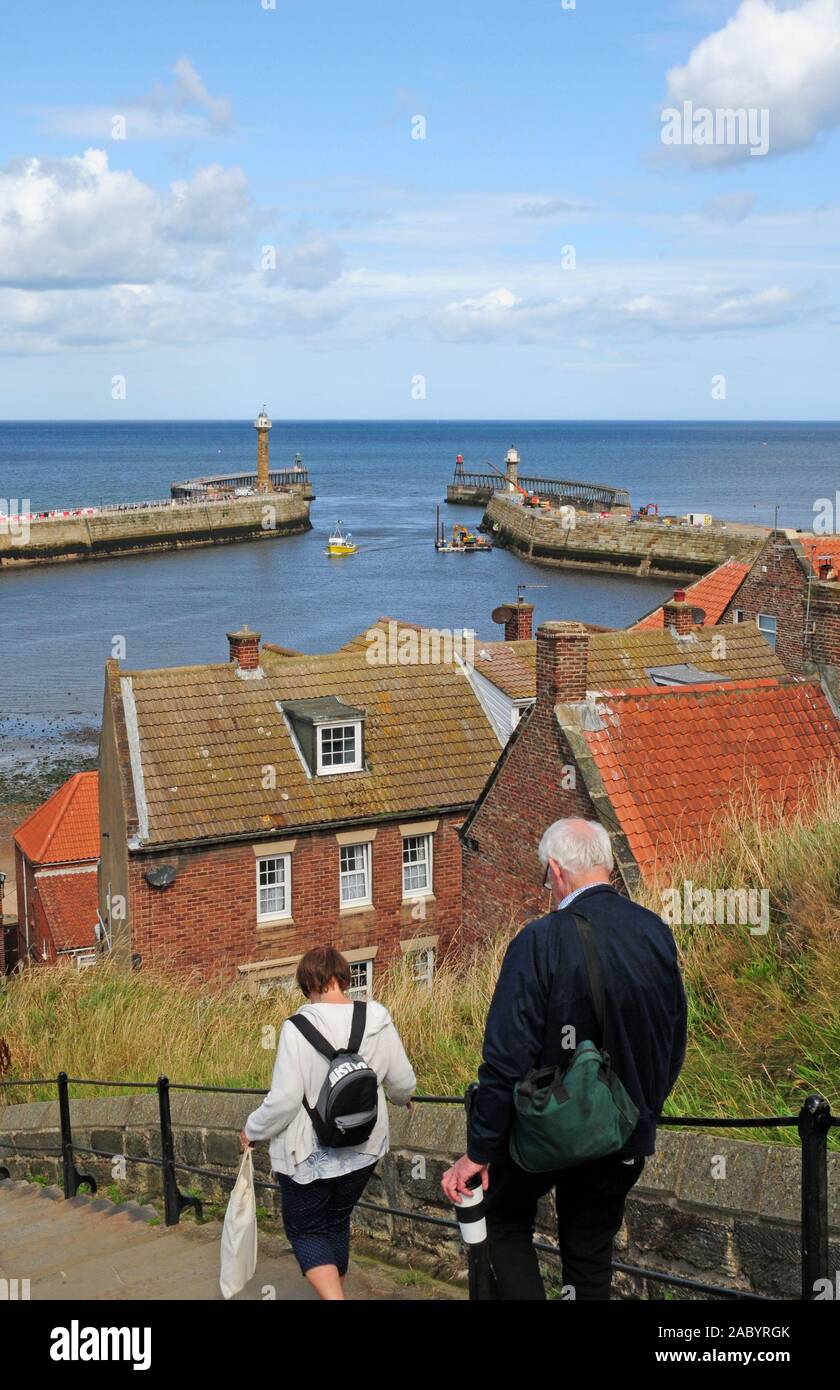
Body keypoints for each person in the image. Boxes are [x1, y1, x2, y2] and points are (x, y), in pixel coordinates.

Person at [441, 817, 687, 1300]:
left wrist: (479, 1151)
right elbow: (673, 1037)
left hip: (548, 1132)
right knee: (590, 1257)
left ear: (556, 870)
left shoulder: (540, 940)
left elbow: (505, 1058)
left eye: (545, 876)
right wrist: (642, 1112)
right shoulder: (654, 931)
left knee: (502, 1220)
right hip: (620, 1133)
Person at [241, 945, 416, 1300]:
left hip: (310, 1151)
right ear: (344, 977)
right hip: (364, 1145)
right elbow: (402, 1082)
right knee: (336, 1220)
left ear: (307, 983)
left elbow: (285, 1100)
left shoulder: (296, 1027)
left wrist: (252, 1131)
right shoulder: (377, 1017)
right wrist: (401, 1098)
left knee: (306, 1230)